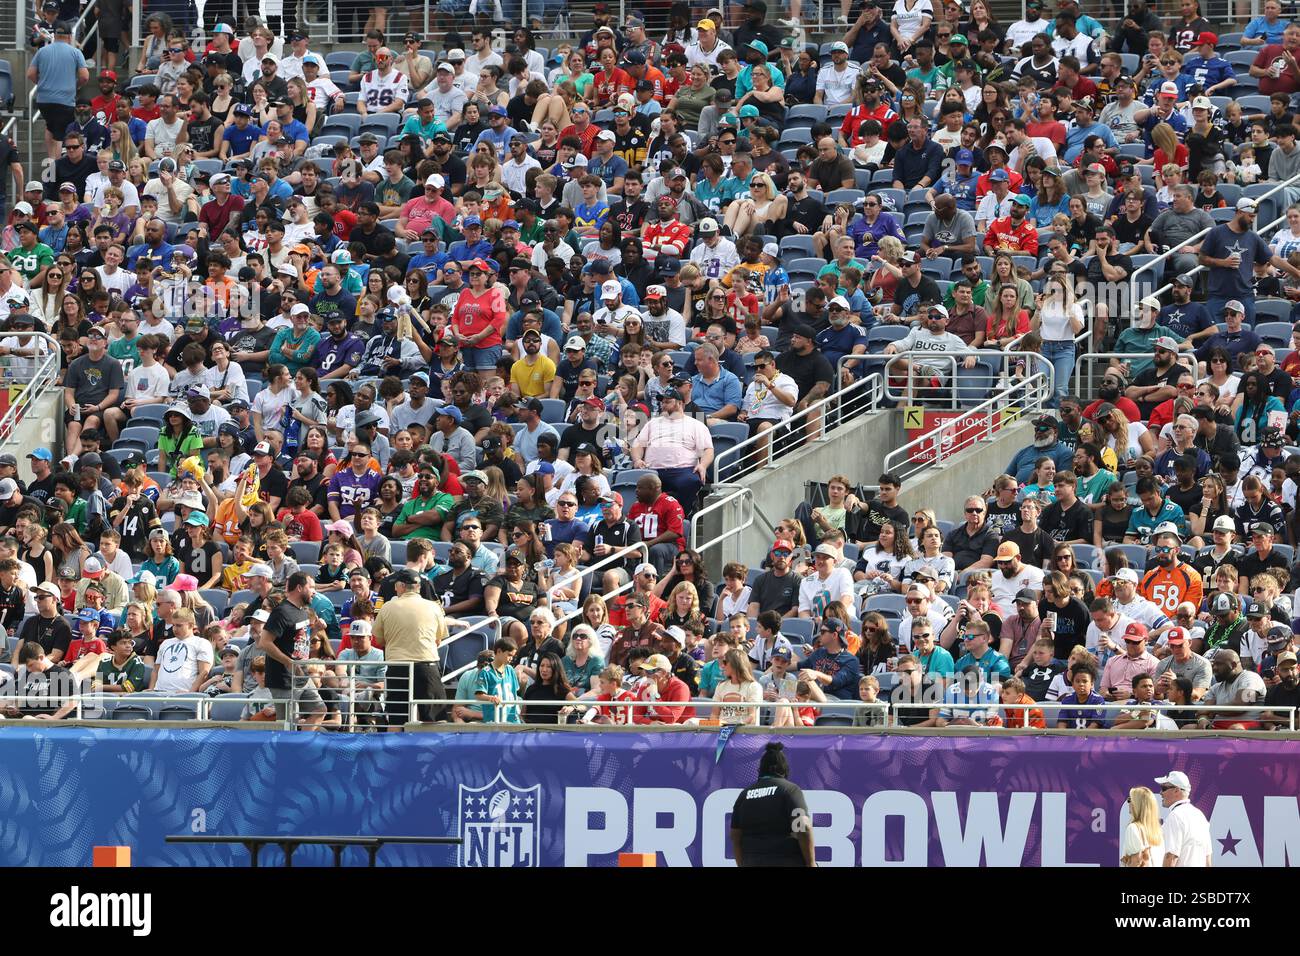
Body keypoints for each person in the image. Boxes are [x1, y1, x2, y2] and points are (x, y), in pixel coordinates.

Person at [372, 567, 449, 725]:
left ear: (399, 586)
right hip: (426, 665)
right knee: (435, 719)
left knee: (396, 719)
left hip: (398, 667)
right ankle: (436, 750)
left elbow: (379, 640)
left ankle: (395, 750)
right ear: (419, 587)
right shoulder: (433, 607)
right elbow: (438, 640)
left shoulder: (387, 607)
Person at [730, 742, 815, 867]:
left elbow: (735, 836)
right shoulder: (790, 790)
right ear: (784, 769)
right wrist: (811, 863)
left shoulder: (744, 795)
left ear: (760, 769)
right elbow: (804, 826)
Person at [1156, 769, 1212, 867]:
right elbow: (1207, 859)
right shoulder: (1200, 815)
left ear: (1176, 790)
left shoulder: (1175, 816)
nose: (1161, 792)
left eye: (1164, 788)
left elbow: (1171, 857)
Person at [1121, 786, 1166, 867]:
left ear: (1137, 804)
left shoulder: (1133, 828)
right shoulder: (1158, 832)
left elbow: (1137, 861)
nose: (1128, 803)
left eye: (1130, 800)